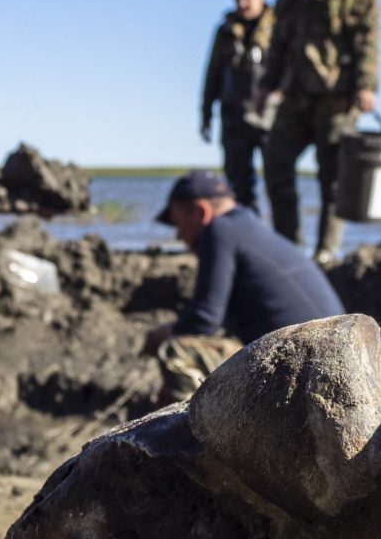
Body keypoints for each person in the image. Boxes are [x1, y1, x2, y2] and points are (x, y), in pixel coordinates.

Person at [143, 168, 344, 401]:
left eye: (178, 224)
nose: (179, 236)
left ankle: (190, 423)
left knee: (177, 350)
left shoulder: (219, 230)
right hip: (332, 362)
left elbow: (204, 319)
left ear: (200, 212)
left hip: (303, 371)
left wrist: (160, 335)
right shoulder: (248, 228)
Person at [259, 0, 380, 268]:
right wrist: (267, 84)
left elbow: (368, 30)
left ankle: (326, 252)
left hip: (336, 90)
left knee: (333, 175)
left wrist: (366, 84)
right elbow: (279, 36)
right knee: (275, 160)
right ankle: (288, 248)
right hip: (296, 90)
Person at [199, 0, 275, 211]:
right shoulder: (226, 31)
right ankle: (247, 229)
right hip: (233, 117)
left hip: (270, 117)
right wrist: (206, 113)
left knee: (278, 183)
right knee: (238, 186)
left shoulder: (278, 27)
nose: (241, 3)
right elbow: (212, 74)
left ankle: (281, 234)